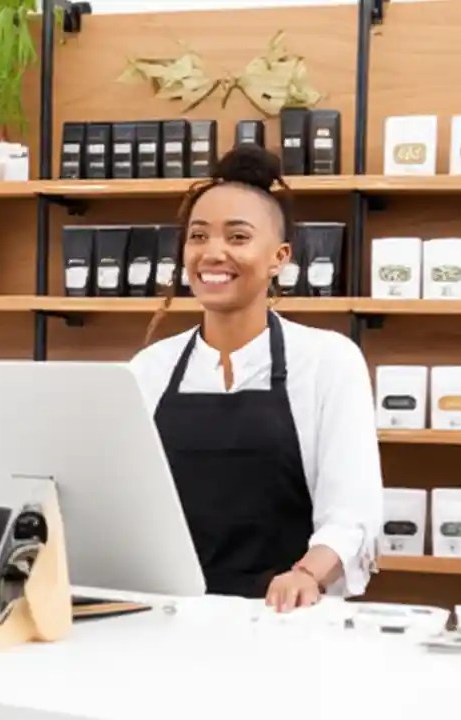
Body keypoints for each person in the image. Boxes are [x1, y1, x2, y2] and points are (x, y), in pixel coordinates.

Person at [130, 145, 383, 612]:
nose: (212, 253)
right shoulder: (148, 369)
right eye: (198, 236)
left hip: (284, 619)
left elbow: (352, 513)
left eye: (238, 237)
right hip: (168, 617)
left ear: (279, 257)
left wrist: (307, 574)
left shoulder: (329, 361)